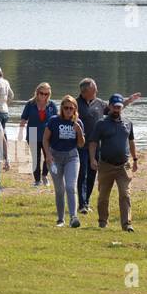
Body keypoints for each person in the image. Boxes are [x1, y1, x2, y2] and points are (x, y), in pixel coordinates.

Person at [75, 78, 142, 213]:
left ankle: (86, 202)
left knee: (92, 175)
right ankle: (82, 204)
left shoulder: (99, 103)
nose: (97, 91)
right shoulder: (75, 104)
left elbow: (114, 108)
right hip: (81, 146)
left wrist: (128, 101)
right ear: (85, 91)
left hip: (96, 147)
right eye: (94, 89)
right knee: (82, 174)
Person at [88, 94, 138, 232]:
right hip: (105, 165)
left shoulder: (128, 123)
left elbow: (131, 142)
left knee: (125, 194)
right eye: (115, 107)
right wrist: (92, 159)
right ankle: (103, 221)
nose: (117, 109)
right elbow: (93, 143)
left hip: (123, 165)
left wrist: (135, 159)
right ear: (109, 106)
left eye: (119, 107)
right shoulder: (101, 124)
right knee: (103, 195)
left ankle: (127, 224)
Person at [41, 94, 85, 227]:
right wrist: (48, 155)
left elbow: (81, 144)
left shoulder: (78, 123)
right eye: (66, 108)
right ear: (62, 108)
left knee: (71, 186)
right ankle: (61, 219)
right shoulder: (54, 120)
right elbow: (45, 139)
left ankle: (74, 218)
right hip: (55, 157)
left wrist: (79, 132)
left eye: (71, 108)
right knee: (60, 190)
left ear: (75, 109)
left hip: (72, 157)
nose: (68, 110)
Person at [19, 83, 57, 187]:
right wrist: (20, 132)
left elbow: (57, 120)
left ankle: (44, 175)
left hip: (48, 134)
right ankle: (37, 180)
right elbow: (24, 118)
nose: (44, 96)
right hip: (32, 133)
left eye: (46, 94)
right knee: (36, 158)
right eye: (42, 93)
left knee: (48, 157)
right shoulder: (30, 104)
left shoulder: (51, 105)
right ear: (37, 92)